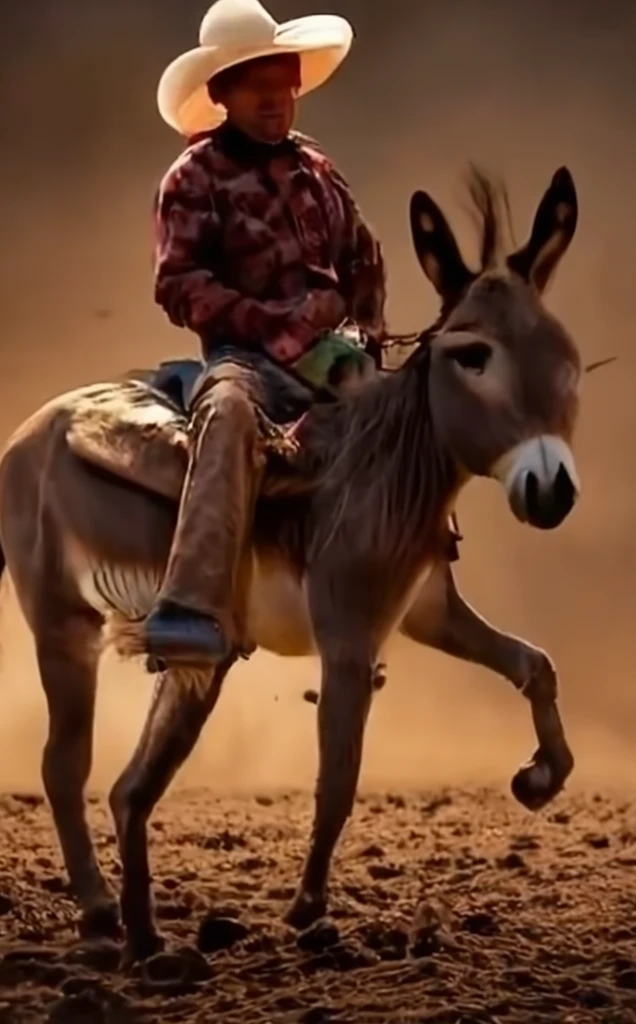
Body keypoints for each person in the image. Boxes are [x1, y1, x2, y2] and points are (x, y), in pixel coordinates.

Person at [143, 0, 387, 666]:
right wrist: (276, 319)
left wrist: (365, 325)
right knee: (224, 416)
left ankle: (398, 582)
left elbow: (366, 259)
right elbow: (179, 285)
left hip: (328, 356)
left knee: (405, 412)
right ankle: (190, 606)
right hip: (244, 360)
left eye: (281, 78)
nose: (273, 95)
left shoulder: (320, 172)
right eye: (254, 83)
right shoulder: (193, 180)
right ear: (221, 94)